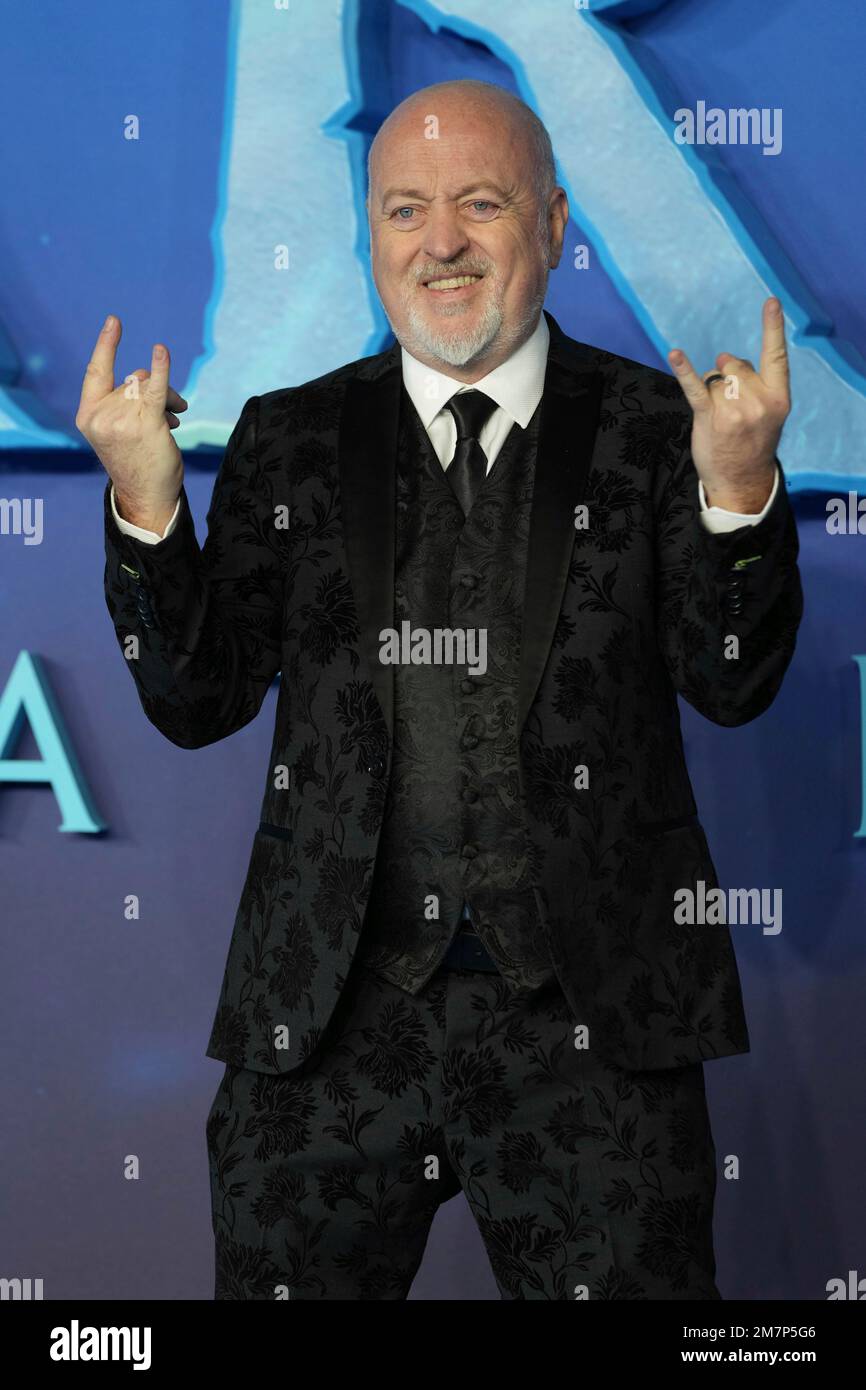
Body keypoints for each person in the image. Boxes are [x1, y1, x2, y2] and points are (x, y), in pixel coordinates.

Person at [76, 79, 802, 1300]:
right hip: (326, 1027)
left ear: (555, 224)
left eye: (480, 202)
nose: (442, 243)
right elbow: (196, 701)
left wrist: (734, 492)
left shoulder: (650, 432)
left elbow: (731, 685)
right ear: (369, 234)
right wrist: (150, 509)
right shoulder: (285, 439)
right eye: (405, 210)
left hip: (592, 1033)